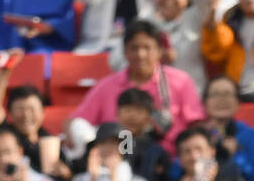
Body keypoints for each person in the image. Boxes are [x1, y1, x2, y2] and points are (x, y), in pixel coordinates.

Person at [73, 20, 207, 155]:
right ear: (125, 51)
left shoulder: (181, 81)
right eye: (134, 48)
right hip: (119, 161)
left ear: (159, 51)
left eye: (147, 48)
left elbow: (196, 125)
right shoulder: (106, 86)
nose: (140, 54)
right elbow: (76, 122)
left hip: (171, 162)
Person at [0, 55, 67, 179]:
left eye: (32, 109)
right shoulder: (7, 134)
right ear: (10, 112)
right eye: (20, 109)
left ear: (42, 112)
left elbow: (67, 174)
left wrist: (65, 173)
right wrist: (5, 71)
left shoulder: (49, 138)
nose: (26, 115)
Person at [199, 76, 254, 181]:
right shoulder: (197, 135)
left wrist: (235, 156)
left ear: (238, 102)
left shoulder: (249, 135)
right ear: (204, 102)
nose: (221, 100)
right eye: (215, 94)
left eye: (227, 94)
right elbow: (178, 172)